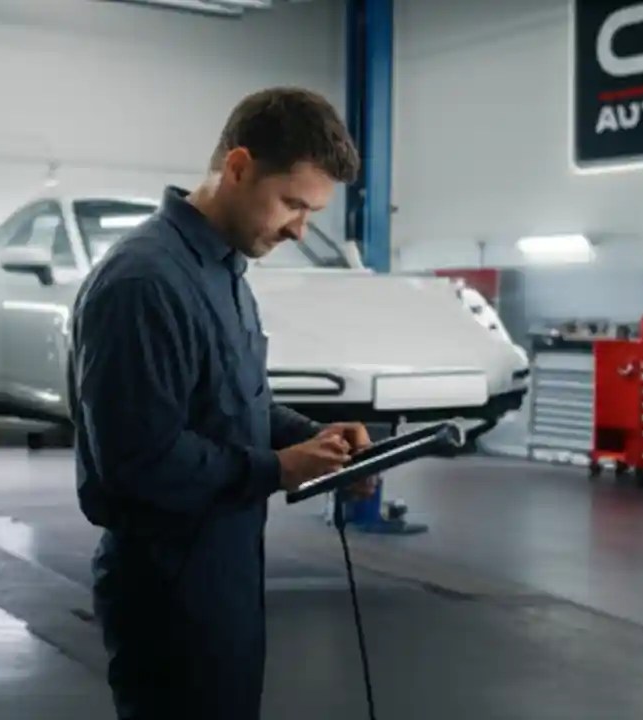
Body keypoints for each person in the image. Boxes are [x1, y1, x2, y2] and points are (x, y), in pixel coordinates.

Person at [67, 86, 374, 720]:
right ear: (237, 167)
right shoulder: (144, 283)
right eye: (292, 203)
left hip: (223, 569)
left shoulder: (224, 269)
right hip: (166, 587)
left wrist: (317, 436)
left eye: (311, 212)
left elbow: (236, 406)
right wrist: (280, 469)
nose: (299, 228)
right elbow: (139, 462)